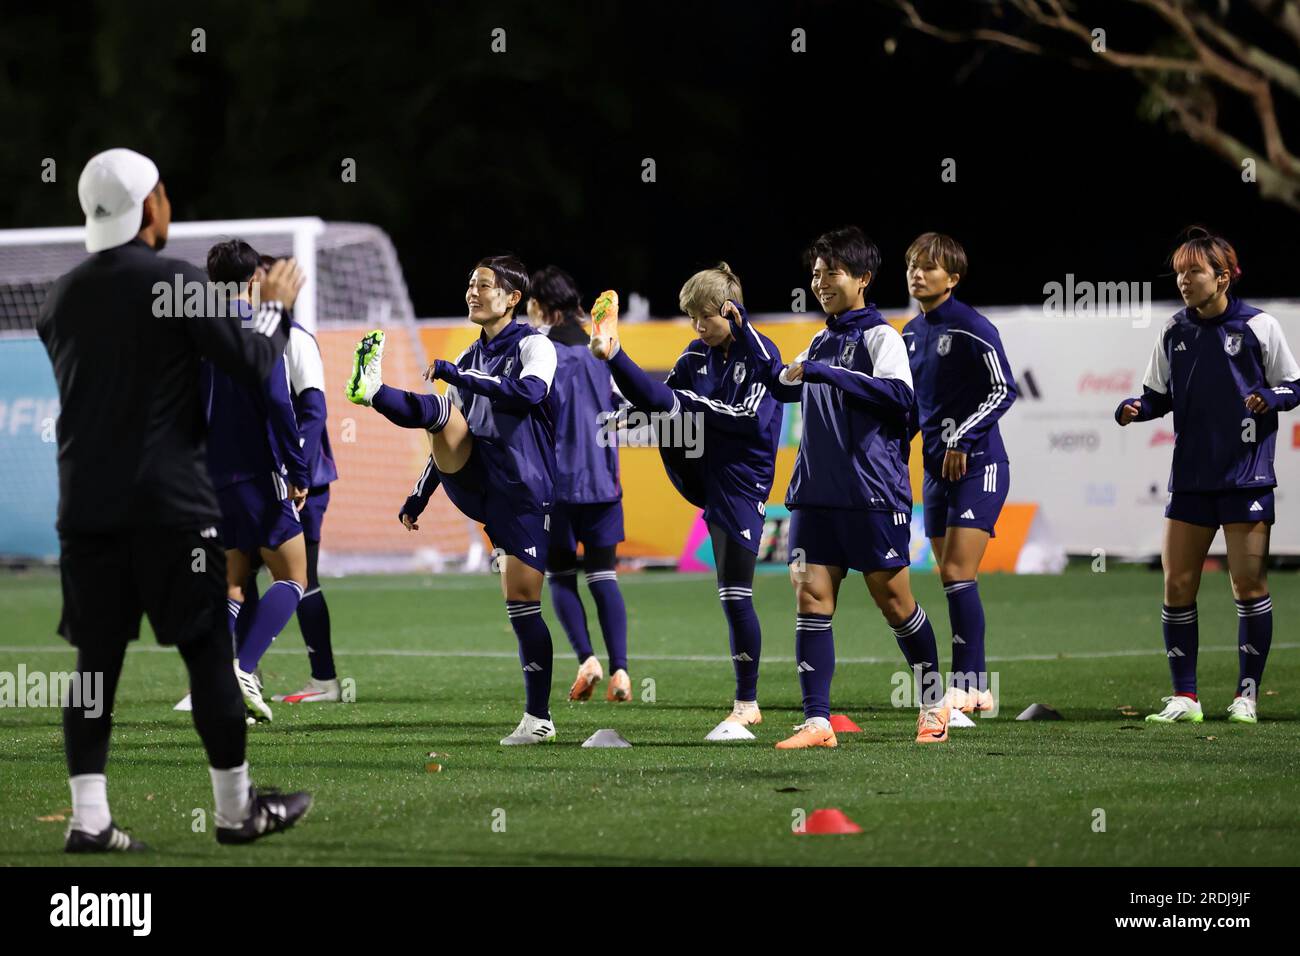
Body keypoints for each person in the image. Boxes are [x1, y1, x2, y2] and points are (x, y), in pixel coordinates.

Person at [37, 148, 312, 851]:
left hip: (87, 511)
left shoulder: (59, 297)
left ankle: (89, 820)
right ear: (150, 207)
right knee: (206, 655)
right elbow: (251, 364)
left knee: (93, 667)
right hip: (170, 508)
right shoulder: (175, 281)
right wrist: (277, 310)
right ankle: (234, 811)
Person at [741, 226, 949, 748]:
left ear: (862, 278)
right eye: (815, 273)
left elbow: (901, 398)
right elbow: (780, 385)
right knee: (810, 597)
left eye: (831, 272)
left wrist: (826, 372)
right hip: (814, 493)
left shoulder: (882, 336)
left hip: (872, 494)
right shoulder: (820, 340)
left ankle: (933, 704)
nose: (820, 282)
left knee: (894, 601)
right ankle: (818, 722)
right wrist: (739, 328)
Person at [349, 255, 562, 745]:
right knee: (441, 413)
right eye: (470, 284)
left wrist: (459, 377)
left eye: (484, 285)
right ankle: (374, 389)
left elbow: (529, 394)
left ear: (512, 298)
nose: (472, 292)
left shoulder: (535, 345)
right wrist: (418, 497)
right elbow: (447, 432)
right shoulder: (467, 358)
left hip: (524, 491)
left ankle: (538, 718)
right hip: (475, 478)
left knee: (523, 603)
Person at [588, 264, 782, 733]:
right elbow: (658, 400)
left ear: (730, 312)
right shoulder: (695, 355)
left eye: (704, 318)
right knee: (661, 408)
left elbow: (748, 419)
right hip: (699, 471)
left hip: (741, 481)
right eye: (691, 318)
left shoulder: (762, 356)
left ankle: (747, 702)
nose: (697, 328)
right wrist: (621, 419)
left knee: (735, 596)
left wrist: (682, 407)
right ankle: (611, 352)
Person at [1116, 229, 1299, 725]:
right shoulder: (1175, 331)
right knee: (1177, 584)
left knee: (1249, 586)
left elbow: (1294, 384)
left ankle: (1246, 697)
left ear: (1222, 277)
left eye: (1193, 271)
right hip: (1192, 479)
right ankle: (1186, 698)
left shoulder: (1260, 326)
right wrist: (1137, 407)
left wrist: (1273, 398)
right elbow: (1157, 395)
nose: (1182, 280)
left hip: (1247, 478)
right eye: (1178, 272)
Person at [900, 233, 1017, 714]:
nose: (917, 273)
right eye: (911, 264)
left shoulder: (974, 327)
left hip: (980, 466)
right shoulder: (907, 333)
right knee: (951, 579)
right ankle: (977, 688)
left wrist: (959, 439)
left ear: (953, 277)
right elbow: (910, 407)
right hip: (935, 472)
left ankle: (967, 684)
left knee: (956, 571)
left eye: (929, 266)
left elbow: (1003, 389)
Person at [199, 240, 313, 723]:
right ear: (255, 280)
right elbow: (279, 403)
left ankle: (216, 684)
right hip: (257, 474)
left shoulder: (199, 332)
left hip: (211, 478)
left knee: (233, 583)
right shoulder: (265, 331)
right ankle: (241, 669)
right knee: (293, 577)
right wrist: (298, 469)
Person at [525, 266, 630, 701]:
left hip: (558, 485)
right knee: (604, 575)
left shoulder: (542, 354)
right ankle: (622, 672)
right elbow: (624, 406)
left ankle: (587, 659)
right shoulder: (599, 351)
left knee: (562, 578)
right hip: (603, 481)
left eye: (530, 303)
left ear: (544, 308)